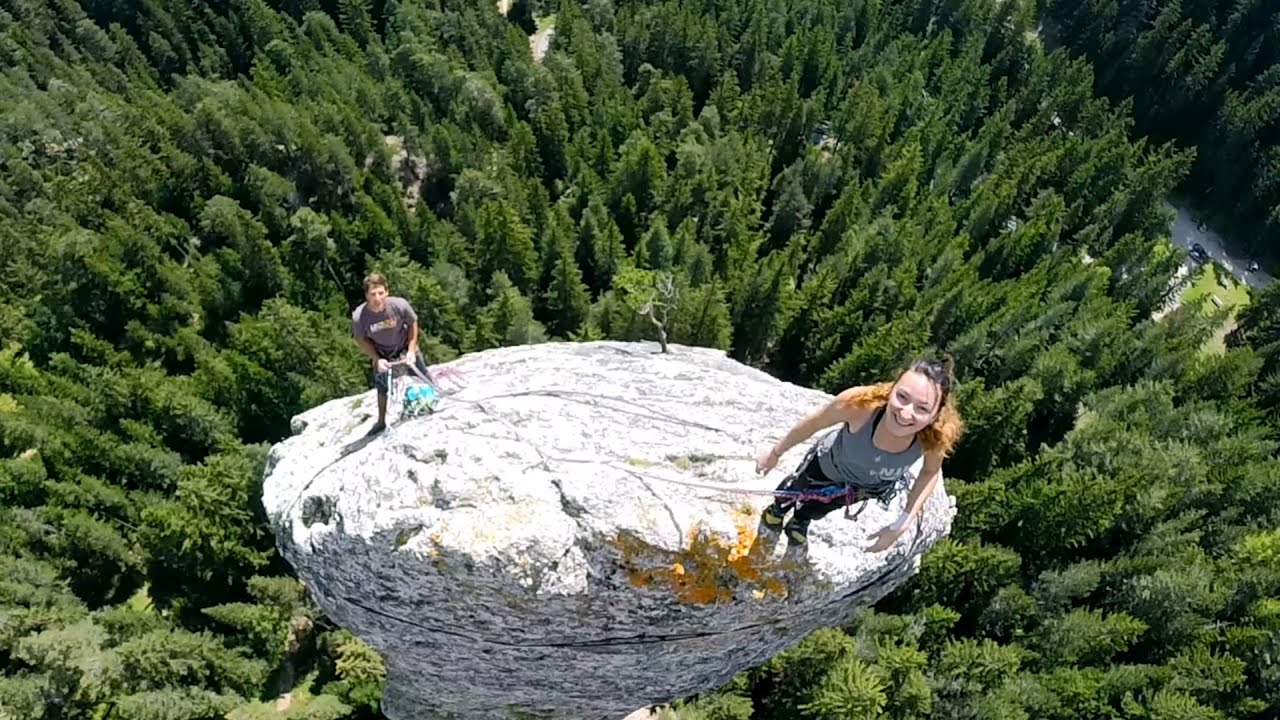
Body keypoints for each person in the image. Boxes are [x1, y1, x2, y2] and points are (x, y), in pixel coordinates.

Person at [755, 358, 963, 553]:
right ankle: (778, 509)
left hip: (862, 489)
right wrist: (775, 452)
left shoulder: (934, 437)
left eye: (922, 408)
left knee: (821, 506)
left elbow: (930, 472)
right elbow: (815, 422)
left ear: (935, 415)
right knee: (796, 488)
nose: (906, 413)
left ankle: (801, 519)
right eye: (902, 397)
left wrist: (901, 525)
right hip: (827, 465)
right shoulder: (861, 406)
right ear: (892, 389)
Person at [350, 273, 434, 434]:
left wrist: (411, 350)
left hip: (404, 346)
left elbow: (412, 323)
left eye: (381, 293)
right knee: (382, 387)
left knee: (422, 373)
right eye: (373, 294)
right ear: (366, 295)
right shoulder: (359, 317)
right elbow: (361, 339)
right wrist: (376, 359)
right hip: (382, 353)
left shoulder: (399, 305)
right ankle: (381, 421)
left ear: (387, 292)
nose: (377, 298)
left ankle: (434, 398)